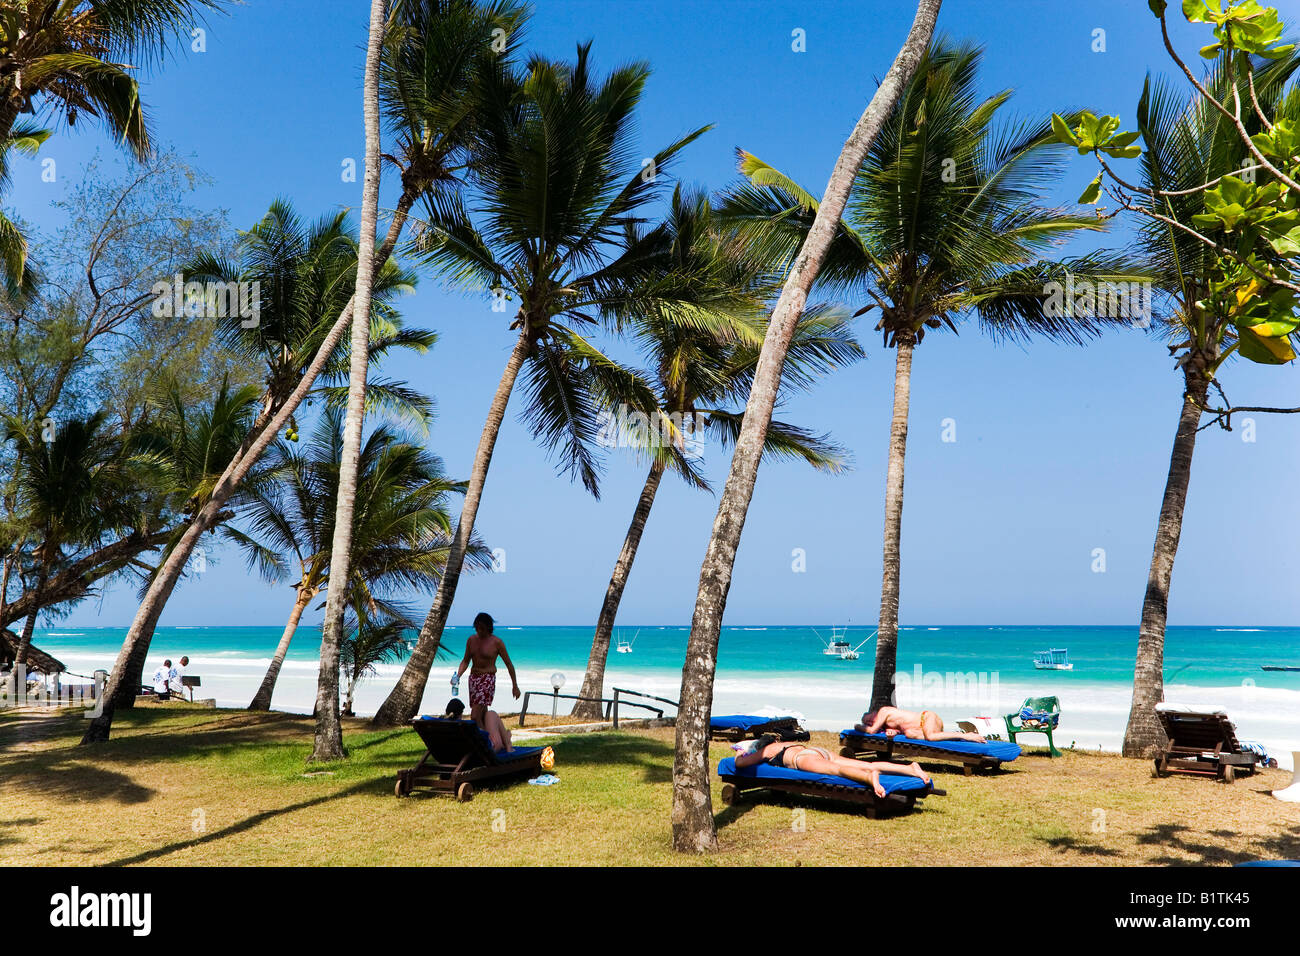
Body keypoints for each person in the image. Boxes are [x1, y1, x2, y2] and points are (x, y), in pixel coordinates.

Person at [733, 734, 930, 798]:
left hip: (801, 759)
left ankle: (870, 778)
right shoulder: (785, 743)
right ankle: (909, 768)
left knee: (836, 771)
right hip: (817, 751)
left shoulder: (767, 750)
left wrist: (741, 753)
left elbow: (741, 763)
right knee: (865, 763)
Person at [455, 612, 520, 727]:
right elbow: (465, 661)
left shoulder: (497, 642)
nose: (479, 631)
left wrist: (515, 686)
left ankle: (481, 742)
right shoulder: (471, 640)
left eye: (482, 628)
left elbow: (509, 664)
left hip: (487, 679)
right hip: (473, 679)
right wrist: (457, 676)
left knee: (475, 716)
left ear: (488, 627)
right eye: (477, 628)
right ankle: (490, 740)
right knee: (482, 714)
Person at [856, 705, 986, 743]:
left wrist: (858, 727)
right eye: (866, 723)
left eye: (867, 719)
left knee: (930, 736)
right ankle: (947, 735)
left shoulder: (884, 711)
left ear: (873, 712)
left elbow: (872, 731)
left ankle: (965, 736)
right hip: (921, 728)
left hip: (927, 717)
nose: (868, 722)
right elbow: (900, 729)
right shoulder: (887, 725)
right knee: (909, 733)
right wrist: (892, 733)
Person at [445, 698, 513, 752]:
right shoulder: (463, 726)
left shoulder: (441, 725)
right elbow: (482, 737)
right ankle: (507, 741)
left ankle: (506, 737)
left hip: (459, 753)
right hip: (487, 750)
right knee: (491, 714)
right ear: (461, 713)